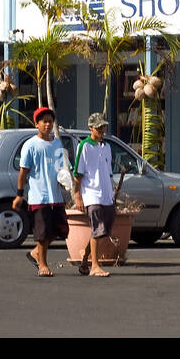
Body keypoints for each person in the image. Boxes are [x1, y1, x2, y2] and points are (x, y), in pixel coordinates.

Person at [13, 106, 69, 277]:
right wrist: (19, 195)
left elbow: (61, 167)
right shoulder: (30, 145)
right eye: (44, 121)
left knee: (61, 230)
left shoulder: (57, 143)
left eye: (50, 121)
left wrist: (63, 180)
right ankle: (42, 263)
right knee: (42, 233)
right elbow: (23, 172)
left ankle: (35, 252)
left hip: (55, 195)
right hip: (39, 195)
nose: (47, 124)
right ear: (36, 124)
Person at [72, 112, 114, 278]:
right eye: (99, 127)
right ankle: (95, 266)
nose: (102, 129)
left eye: (103, 126)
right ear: (91, 128)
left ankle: (85, 259)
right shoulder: (84, 146)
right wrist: (78, 196)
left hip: (107, 195)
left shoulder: (107, 147)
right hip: (92, 194)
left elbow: (108, 172)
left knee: (103, 231)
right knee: (97, 229)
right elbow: (77, 174)